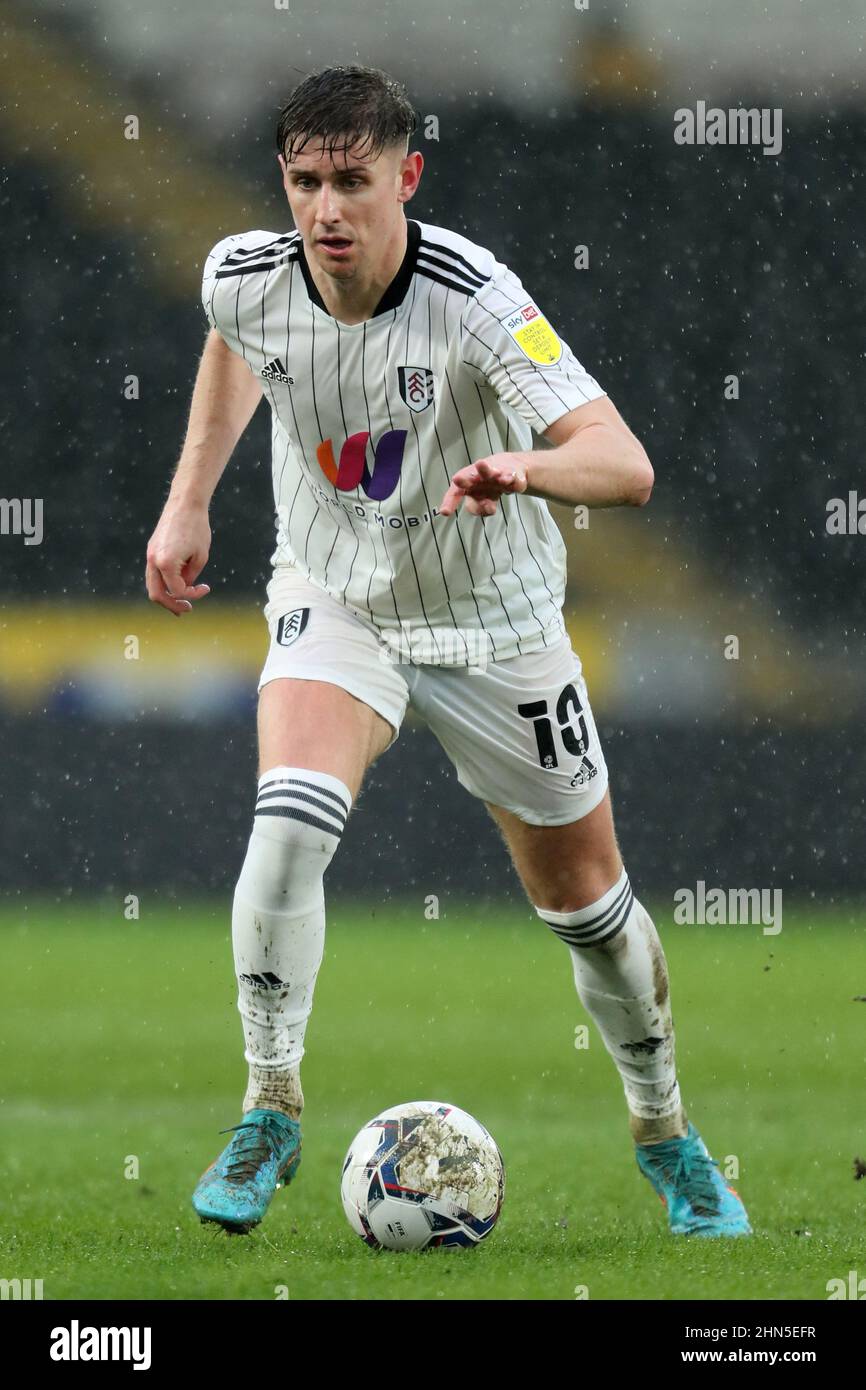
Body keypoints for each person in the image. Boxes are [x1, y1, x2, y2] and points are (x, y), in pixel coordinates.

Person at [146, 64, 751, 1239]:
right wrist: (189, 503)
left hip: (497, 625)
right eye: (304, 182)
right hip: (339, 598)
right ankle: (269, 1106)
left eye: (351, 182)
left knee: (589, 908)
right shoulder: (247, 275)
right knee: (282, 834)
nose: (324, 210)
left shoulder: (474, 299)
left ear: (405, 178)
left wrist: (525, 466)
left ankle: (666, 1133)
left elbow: (621, 462)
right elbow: (235, 342)